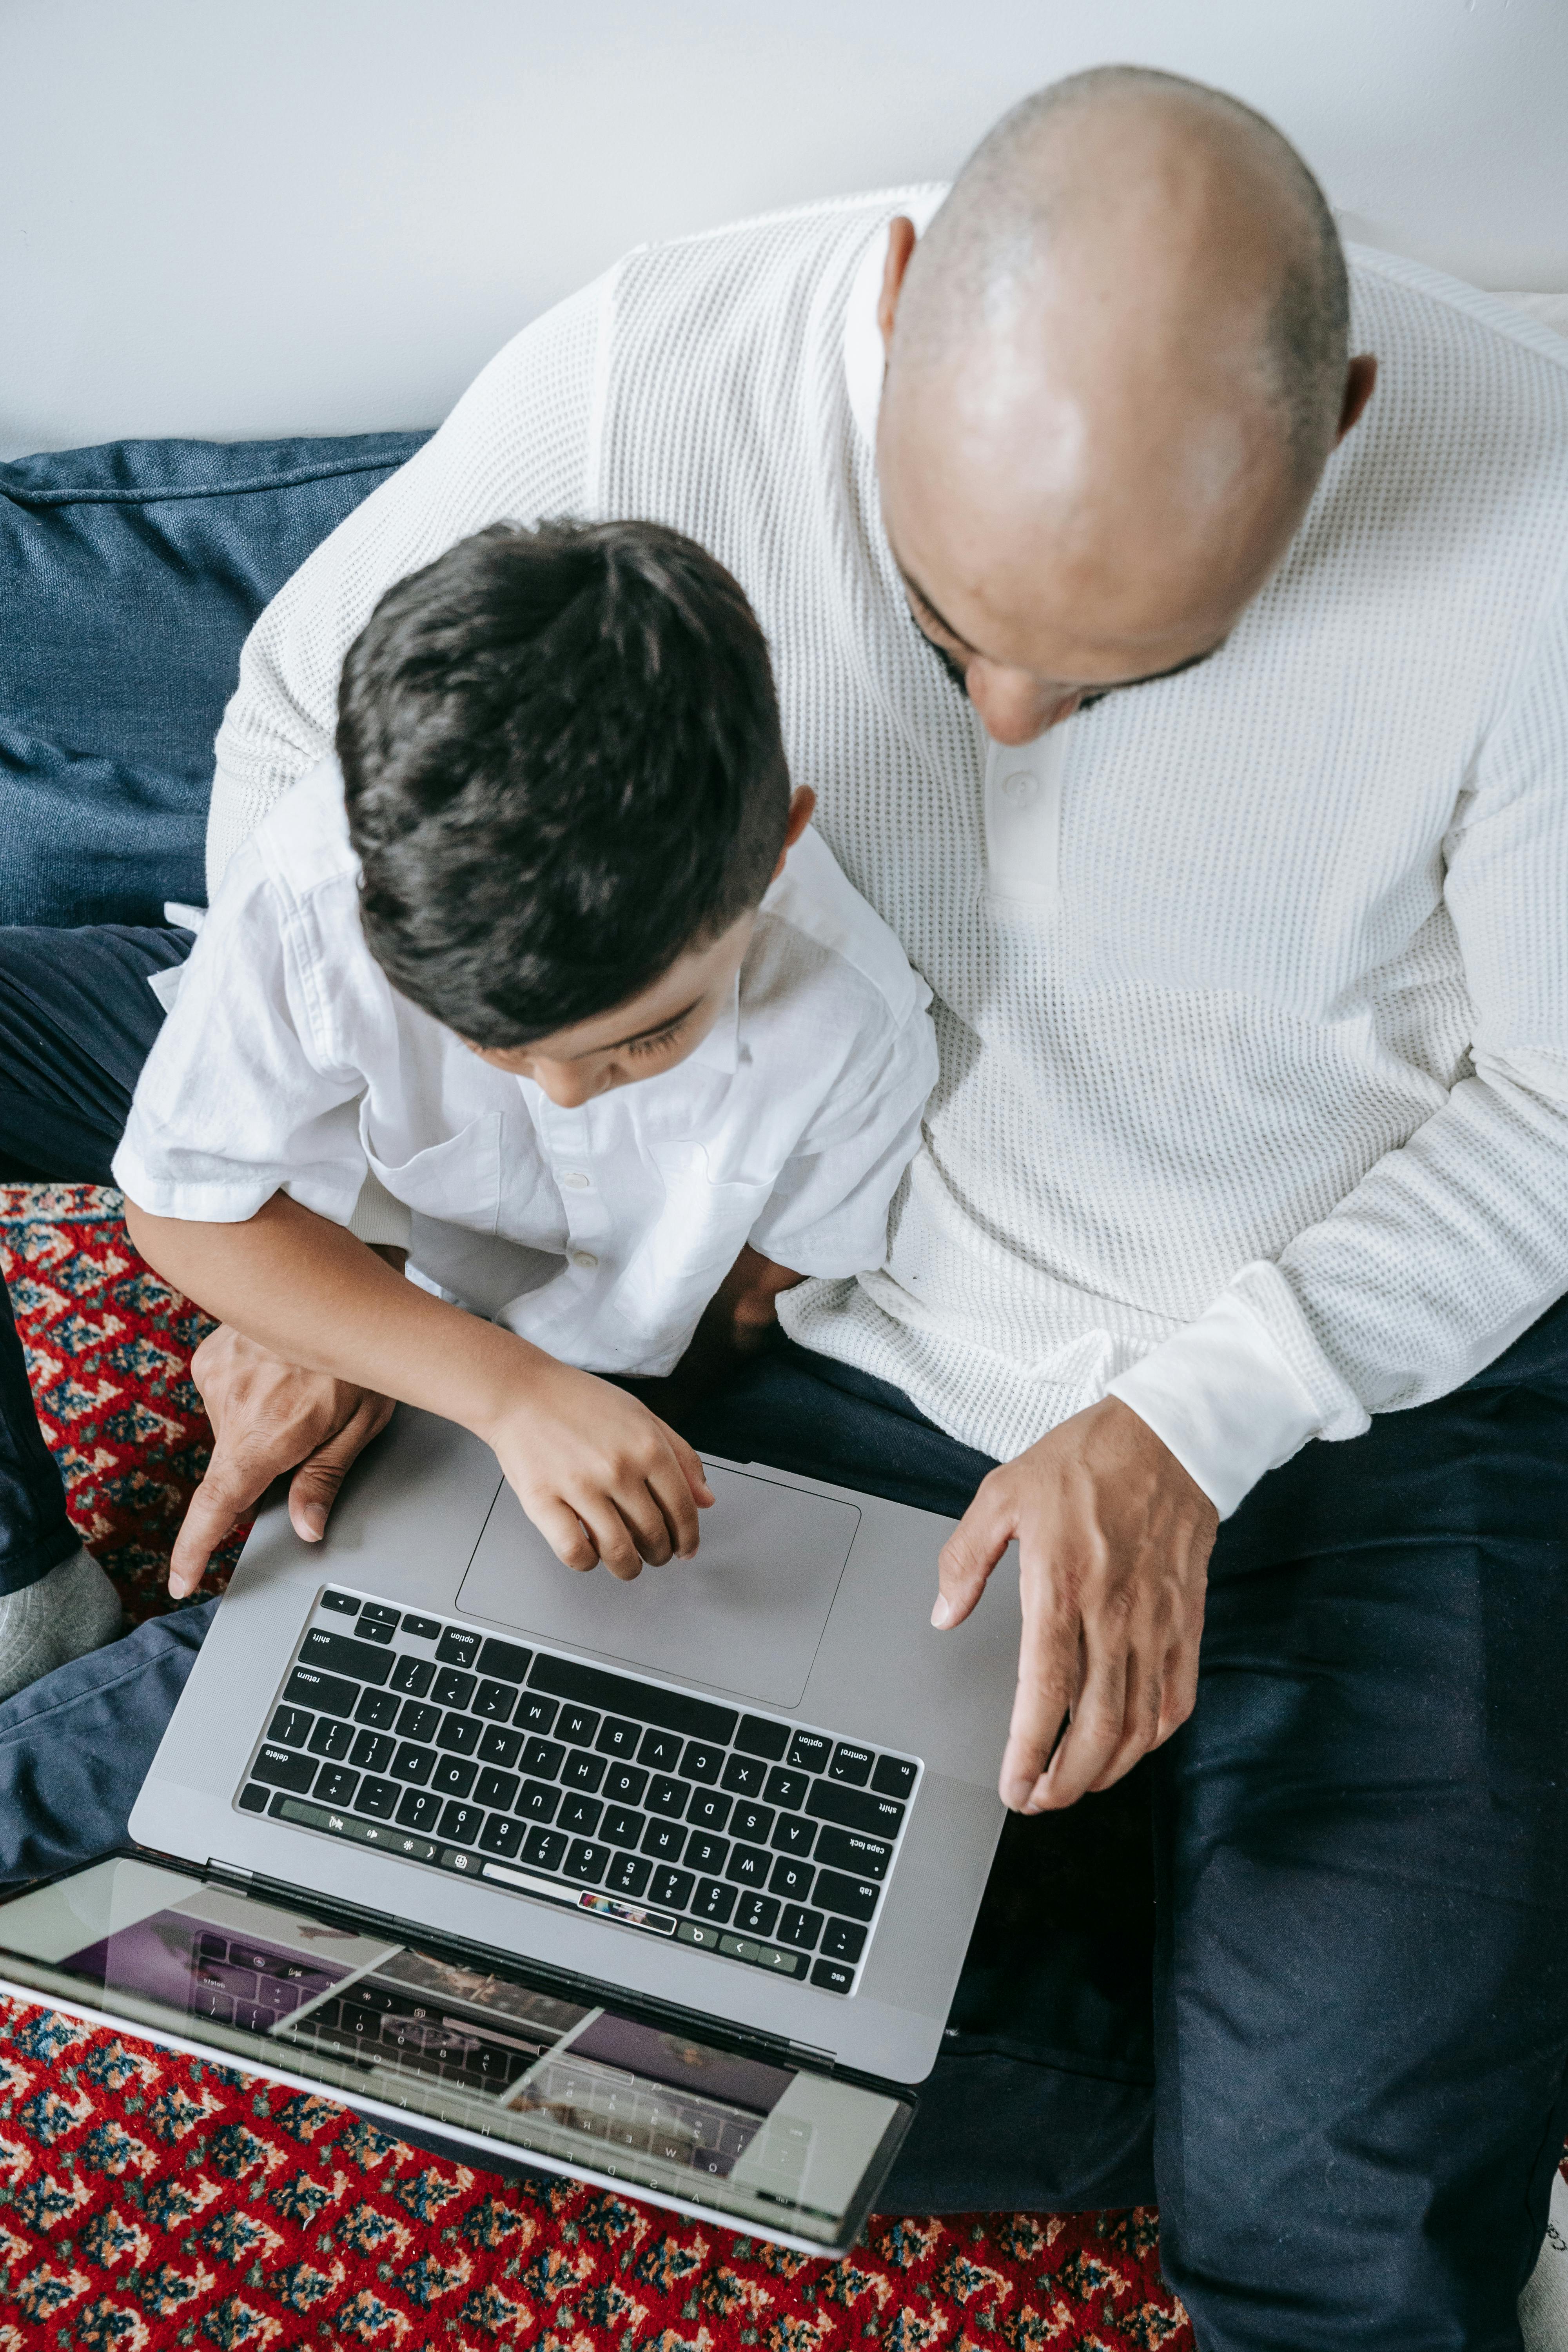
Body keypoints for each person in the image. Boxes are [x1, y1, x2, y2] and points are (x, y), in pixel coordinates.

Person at [1, 62, 1565, 2341]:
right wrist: (360, 1257)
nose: (1016, 727)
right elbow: (292, 737)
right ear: (902, 302)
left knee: (1333, 2249)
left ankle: (1306, 2043)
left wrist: (1197, 1424)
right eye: (951, 634)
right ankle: (1228, 2010)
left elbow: (1554, 1111)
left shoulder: (1536, 541)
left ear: (1337, 420)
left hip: (1377, 1392)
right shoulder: (659, 368)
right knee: (299, 1840)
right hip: (848, 1341)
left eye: (1134, 671)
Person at [114, 516, 936, 1583]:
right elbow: (182, 1201)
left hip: (584, 1391)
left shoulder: (851, 1027)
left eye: (647, 1038)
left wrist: (421, 1383)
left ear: (779, 848)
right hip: (378, 1242)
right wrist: (445, 1362)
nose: (568, 1094)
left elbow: (745, 1313)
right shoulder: (322, 882)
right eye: (490, 1044)